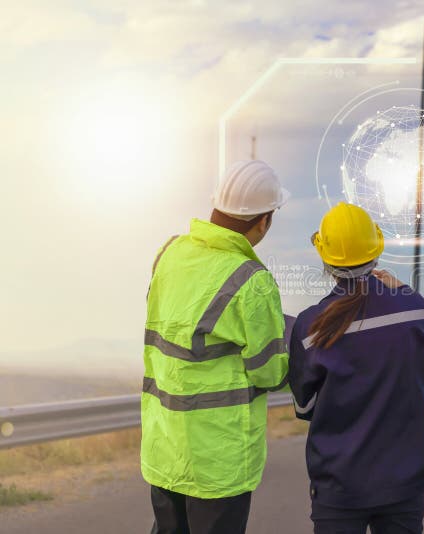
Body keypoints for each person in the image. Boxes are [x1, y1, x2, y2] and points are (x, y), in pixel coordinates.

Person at [142, 160, 291, 534]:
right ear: (264, 220)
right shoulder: (251, 281)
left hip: (166, 448)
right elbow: (271, 373)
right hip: (218, 465)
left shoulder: (169, 253)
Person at [289, 202, 424, 534]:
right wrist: (401, 290)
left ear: (325, 257)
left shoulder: (309, 328)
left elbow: (305, 408)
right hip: (406, 478)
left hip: (340, 485)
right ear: (377, 248)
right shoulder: (413, 307)